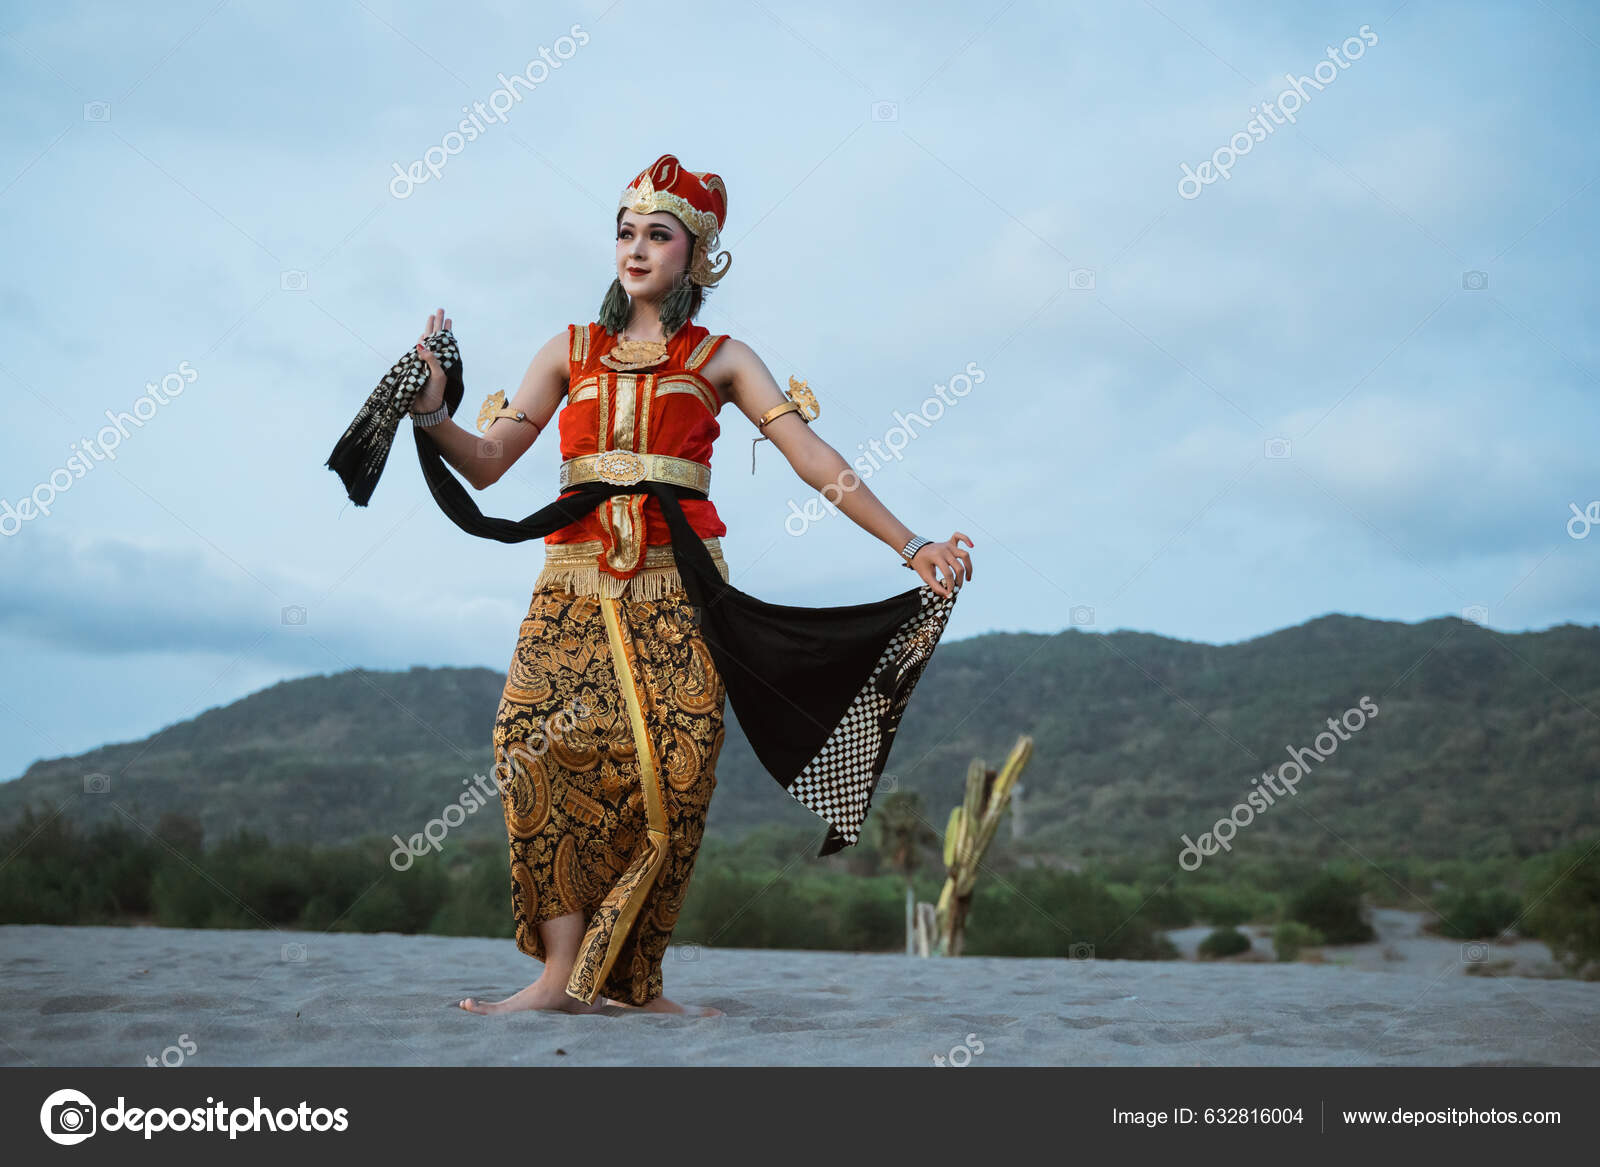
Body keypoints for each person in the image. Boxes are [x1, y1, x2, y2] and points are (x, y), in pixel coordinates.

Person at [398, 155, 973, 1017]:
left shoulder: (723, 358)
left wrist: (910, 541)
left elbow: (812, 458)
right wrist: (432, 408)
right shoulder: (569, 350)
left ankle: (638, 981)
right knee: (529, 745)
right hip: (571, 586)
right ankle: (558, 979)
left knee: (675, 773)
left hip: (679, 593)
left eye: (658, 235)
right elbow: (487, 464)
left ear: (696, 258)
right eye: (626, 232)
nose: (636, 248)